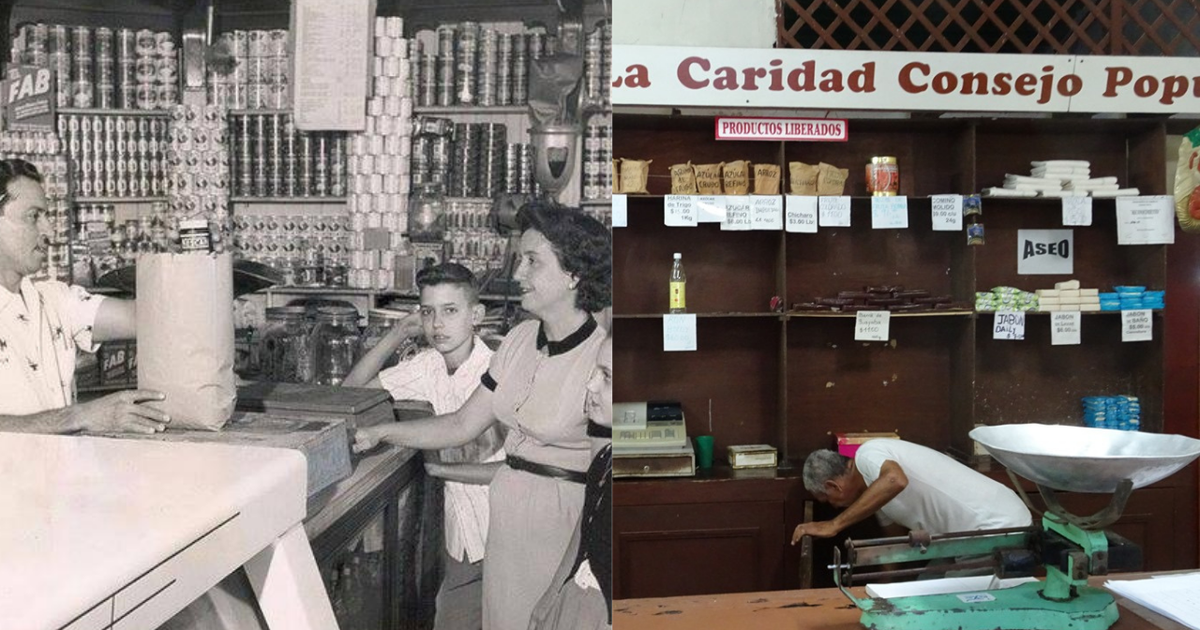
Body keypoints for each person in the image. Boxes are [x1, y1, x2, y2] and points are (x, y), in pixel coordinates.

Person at [354, 201, 610, 630]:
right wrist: (381, 432)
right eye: (520, 260)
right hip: (506, 524)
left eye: (532, 262)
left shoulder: (600, 356)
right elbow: (461, 424)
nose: (517, 274)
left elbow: (607, 478)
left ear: (573, 275)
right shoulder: (520, 338)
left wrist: (574, 569)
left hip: (562, 528)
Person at [344, 262, 505, 630]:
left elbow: (462, 428)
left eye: (450, 311)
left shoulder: (496, 366)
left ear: (476, 315)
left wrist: (436, 466)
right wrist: (397, 332)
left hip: (507, 533)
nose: (437, 324)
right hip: (463, 540)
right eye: (428, 312)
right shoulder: (427, 365)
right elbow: (349, 396)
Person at [0, 158, 168, 434]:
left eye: (47, 217)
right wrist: (78, 417)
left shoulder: (54, 300)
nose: (49, 231)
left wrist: (205, 282)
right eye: (33, 216)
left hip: (58, 474)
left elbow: (145, 318)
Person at [790, 439, 1032, 544]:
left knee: (939, 611)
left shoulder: (868, 454)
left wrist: (834, 525)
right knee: (920, 589)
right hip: (962, 537)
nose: (832, 505)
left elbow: (896, 480)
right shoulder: (875, 496)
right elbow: (892, 543)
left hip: (995, 526)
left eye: (828, 499)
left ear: (834, 485)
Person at [529, 333, 612, 630]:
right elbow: (586, 531)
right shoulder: (606, 459)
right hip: (580, 595)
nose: (590, 385)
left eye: (607, 377)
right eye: (595, 371)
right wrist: (553, 596)